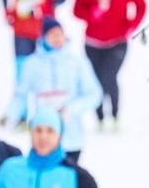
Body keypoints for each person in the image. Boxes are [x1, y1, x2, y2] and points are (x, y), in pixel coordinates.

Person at [70, 0, 149, 130]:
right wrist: (92, 14)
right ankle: (98, 119)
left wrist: (131, 25)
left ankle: (114, 117)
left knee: (109, 77)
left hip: (117, 42)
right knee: (95, 80)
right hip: (93, 43)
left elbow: (141, 5)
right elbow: (76, 10)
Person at [9, 19, 103, 159]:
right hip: (43, 137)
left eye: (60, 33)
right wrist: (9, 116)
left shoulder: (78, 61)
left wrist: (69, 110)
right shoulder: (32, 63)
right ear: (43, 37)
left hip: (72, 137)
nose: (57, 38)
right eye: (52, 34)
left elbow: (94, 94)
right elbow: (20, 95)